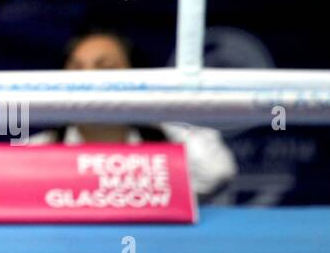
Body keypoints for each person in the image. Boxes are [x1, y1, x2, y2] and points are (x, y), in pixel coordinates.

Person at [29, 30, 238, 196]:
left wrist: (150, 108)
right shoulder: (36, 153)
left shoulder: (166, 154)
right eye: (76, 69)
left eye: (105, 69)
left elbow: (217, 173)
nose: (88, 79)